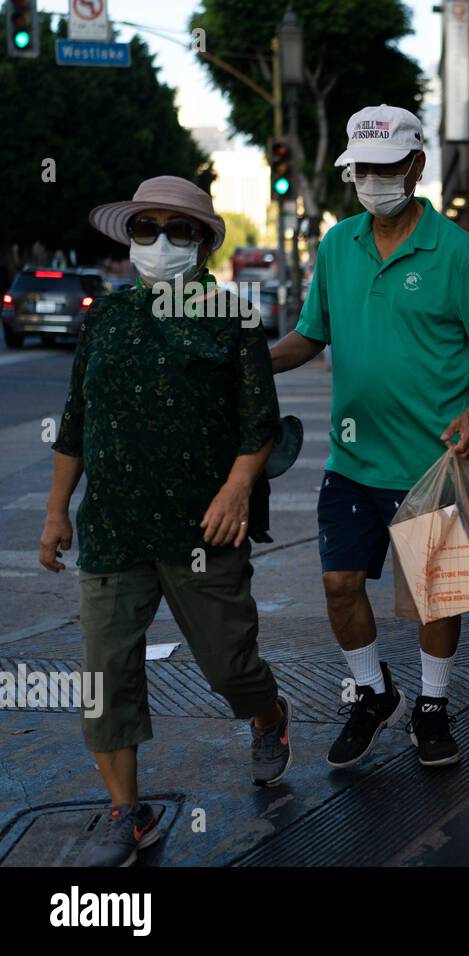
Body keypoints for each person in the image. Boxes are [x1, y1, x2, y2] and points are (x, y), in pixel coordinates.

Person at [40, 176, 290, 867]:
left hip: (202, 532)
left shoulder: (230, 315)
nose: (160, 241)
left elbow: (259, 422)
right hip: (113, 530)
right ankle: (127, 811)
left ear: (205, 242)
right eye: (146, 228)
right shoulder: (108, 316)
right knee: (105, 674)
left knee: (229, 667)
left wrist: (238, 488)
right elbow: (76, 419)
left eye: (179, 230)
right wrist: (58, 511)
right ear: (129, 238)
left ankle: (268, 717)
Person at [271, 105, 469, 768]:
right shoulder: (335, 245)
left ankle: (431, 707)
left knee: (439, 595)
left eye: (385, 168)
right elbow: (309, 337)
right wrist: (254, 359)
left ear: (416, 166)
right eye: (362, 170)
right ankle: (373, 691)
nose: (372, 180)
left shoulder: (460, 253)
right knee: (339, 584)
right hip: (352, 460)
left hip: (435, 461)